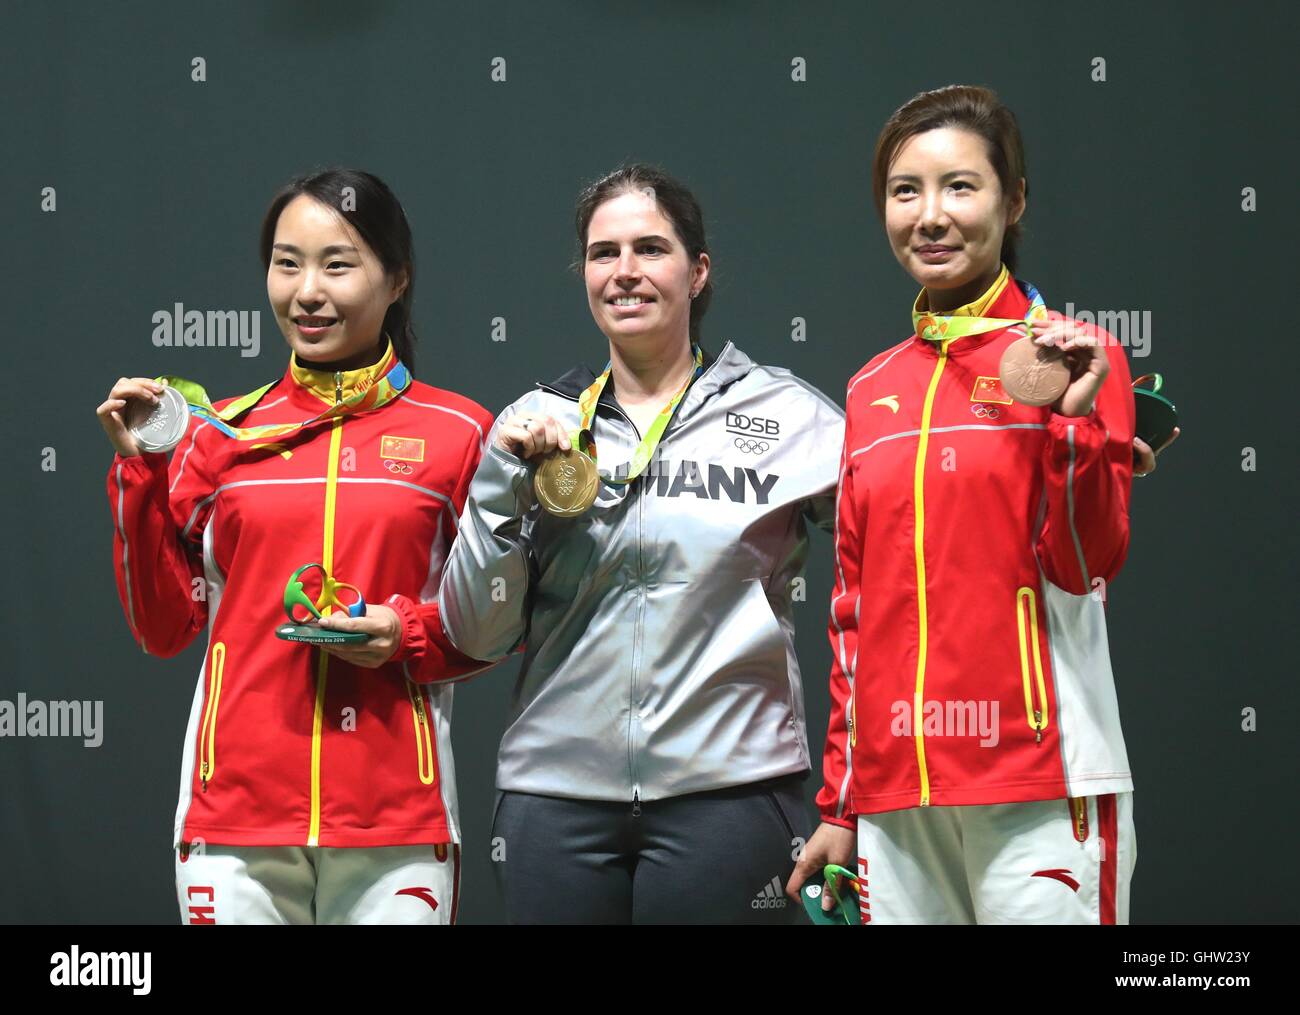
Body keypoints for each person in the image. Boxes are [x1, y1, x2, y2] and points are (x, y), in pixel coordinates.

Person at [791, 85, 1176, 924]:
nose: (930, 215)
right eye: (906, 192)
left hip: (1041, 780)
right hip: (899, 799)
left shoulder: (1080, 353)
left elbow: (1084, 563)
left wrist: (1075, 427)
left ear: (1015, 199)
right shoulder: (870, 388)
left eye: (960, 186)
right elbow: (856, 611)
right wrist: (839, 802)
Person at [435, 165, 847, 924]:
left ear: (698, 271)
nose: (624, 272)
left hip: (733, 796)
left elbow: (896, 559)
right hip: (554, 802)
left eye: (650, 248)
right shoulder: (535, 424)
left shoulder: (788, 416)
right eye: (603, 253)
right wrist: (501, 480)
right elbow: (473, 631)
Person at [98, 169, 495, 924]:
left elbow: (496, 623)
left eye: (337, 264)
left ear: (397, 278)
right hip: (235, 820)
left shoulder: (462, 433)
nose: (307, 291)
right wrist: (140, 473)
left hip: (396, 824)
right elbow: (163, 629)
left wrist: (406, 633)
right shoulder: (216, 436)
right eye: (287, 263)